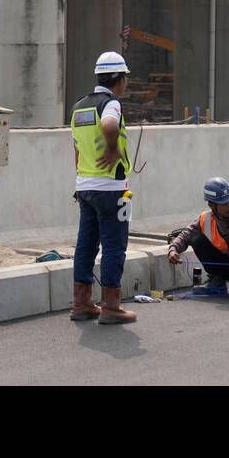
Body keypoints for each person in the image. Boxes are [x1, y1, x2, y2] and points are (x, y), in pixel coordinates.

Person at [69, 51, 136, 324]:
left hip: (85, 185)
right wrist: (112, 149)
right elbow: (109, 124)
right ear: (119, 79)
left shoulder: (79, 106)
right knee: (114, 246)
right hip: (112, 188)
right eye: (126, 78)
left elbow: (76, 147)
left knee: (86, 244)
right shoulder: (111, 104)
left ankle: (82, 303)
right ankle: (111, 307)